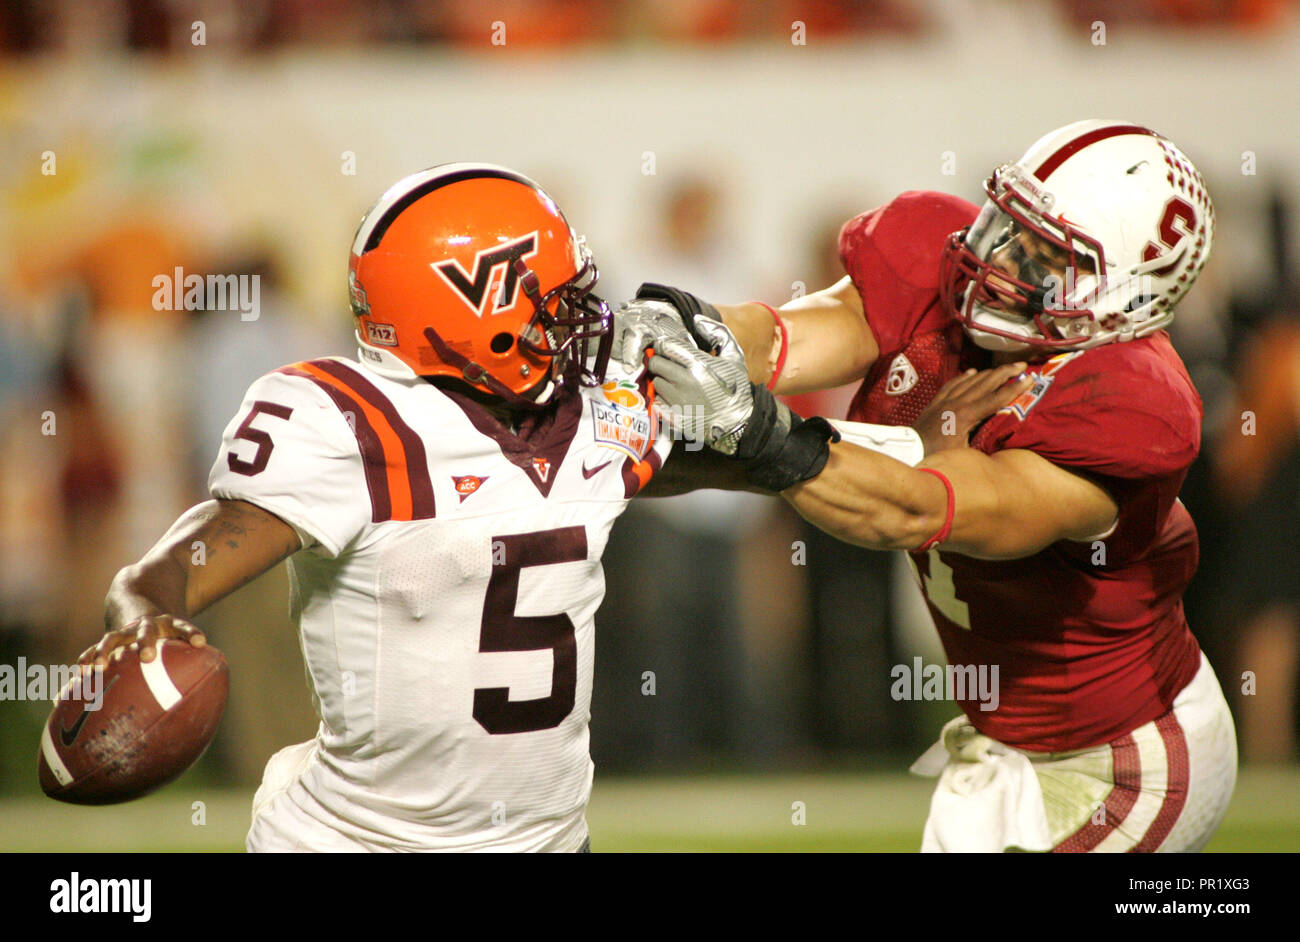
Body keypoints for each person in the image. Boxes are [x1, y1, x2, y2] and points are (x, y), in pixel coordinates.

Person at [625, 120, 1238, 852]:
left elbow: (914, 507)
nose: (1004, 262)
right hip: (1006, 736)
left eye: (1049, 259)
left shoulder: (1124, 400)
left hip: (1118, 756)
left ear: (1125, 298)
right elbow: (784, 338)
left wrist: (759, 432)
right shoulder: (935, 282)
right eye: (1012, 228)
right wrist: (680, 338)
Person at [80, 163, 672, 852]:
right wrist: (144, 617)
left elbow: (758, 424)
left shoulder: (589, 422)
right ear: (478, 309)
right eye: (552, 300)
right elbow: (181, 562)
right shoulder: (355, 427)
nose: (577, 318)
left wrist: (779, 436)